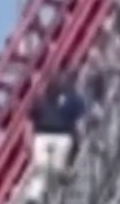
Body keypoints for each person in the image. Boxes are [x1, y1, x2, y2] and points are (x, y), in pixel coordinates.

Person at [22, 70, 87, 203]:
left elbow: (29, 122)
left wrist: (28, 141)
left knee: (41, 169)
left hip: (42, 137)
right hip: (62, 137)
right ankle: (63, 175)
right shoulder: (74, 99)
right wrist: (80, 140)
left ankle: (34, 196)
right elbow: (79, 124)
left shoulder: (39, 101)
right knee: (54, 169)